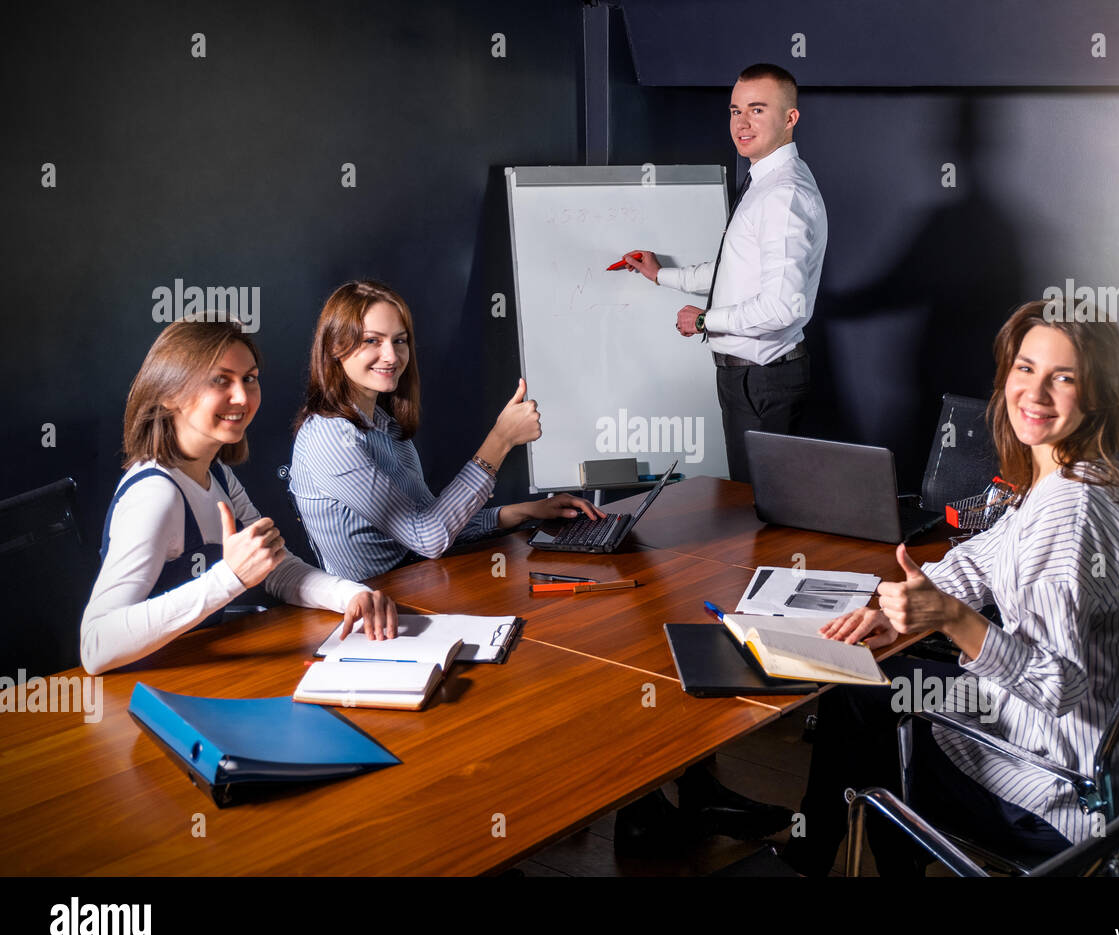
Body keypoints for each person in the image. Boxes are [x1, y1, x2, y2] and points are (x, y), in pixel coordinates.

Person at [782, 298, 1119, 876]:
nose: (1034, 393)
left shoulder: (1070, 514)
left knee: (860, 704)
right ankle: (819, 856)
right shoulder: (1082, 476)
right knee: (877, 688)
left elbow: (1060, 686)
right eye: (1026, 368)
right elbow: (987, 555)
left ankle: (813, 859)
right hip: (1088, 759)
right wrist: (903, 604)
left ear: (1099, 393)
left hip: (1047, 790)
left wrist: (951, 618)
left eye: (1065, 378)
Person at [81, 317, 398, 677]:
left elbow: (275, 570)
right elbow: (95, 646)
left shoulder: (216, 473)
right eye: (221, 380)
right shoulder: (155, 494)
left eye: (249, 378)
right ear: (169, 394)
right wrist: (229, 577)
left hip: (200, 672)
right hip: (145, 691)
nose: (242, 397)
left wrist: (351, 595)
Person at [289, 280, 602, 582]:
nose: (391, 356)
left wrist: (526, 511)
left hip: (422, 585)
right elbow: (429, 539)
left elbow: (435, 522)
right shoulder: (328, 438)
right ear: (334, 347)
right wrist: (501, 440)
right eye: (372, 340)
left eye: (399, 340)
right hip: (380, 613)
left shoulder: (385, 426)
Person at [620, 63, 827, 484]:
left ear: (790, 118)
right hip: (753, 379)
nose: (742, 123)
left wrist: (702, 320)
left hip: (761, 382)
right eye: (735, 111)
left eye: (757, 109)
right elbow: (740, 270)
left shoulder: (782, 194)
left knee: (764, 512)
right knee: (758, 508)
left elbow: (784, 307)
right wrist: (663, 276)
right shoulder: (768, 182)